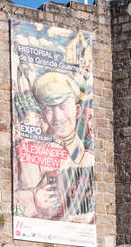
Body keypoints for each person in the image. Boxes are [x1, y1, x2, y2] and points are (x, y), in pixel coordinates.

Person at [13, 70, 94, 225]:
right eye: (49, 109)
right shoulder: (29, 156)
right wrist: (33, 200)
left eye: (63, 106)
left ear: (77, 110)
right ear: (43, 115)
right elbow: (9, 195)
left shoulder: (90, 159)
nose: (57, 117)